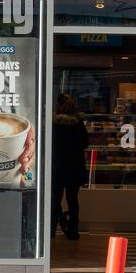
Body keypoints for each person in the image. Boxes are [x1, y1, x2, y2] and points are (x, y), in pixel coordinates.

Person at [51, 94, 89, 240]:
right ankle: (73, 231)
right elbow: (85, 143)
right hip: (75, 167)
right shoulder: (78, 124)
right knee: (73, 200)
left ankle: (52, 230)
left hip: (58, 167)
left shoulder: (55, 124)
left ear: (58, 106)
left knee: (55, 199)